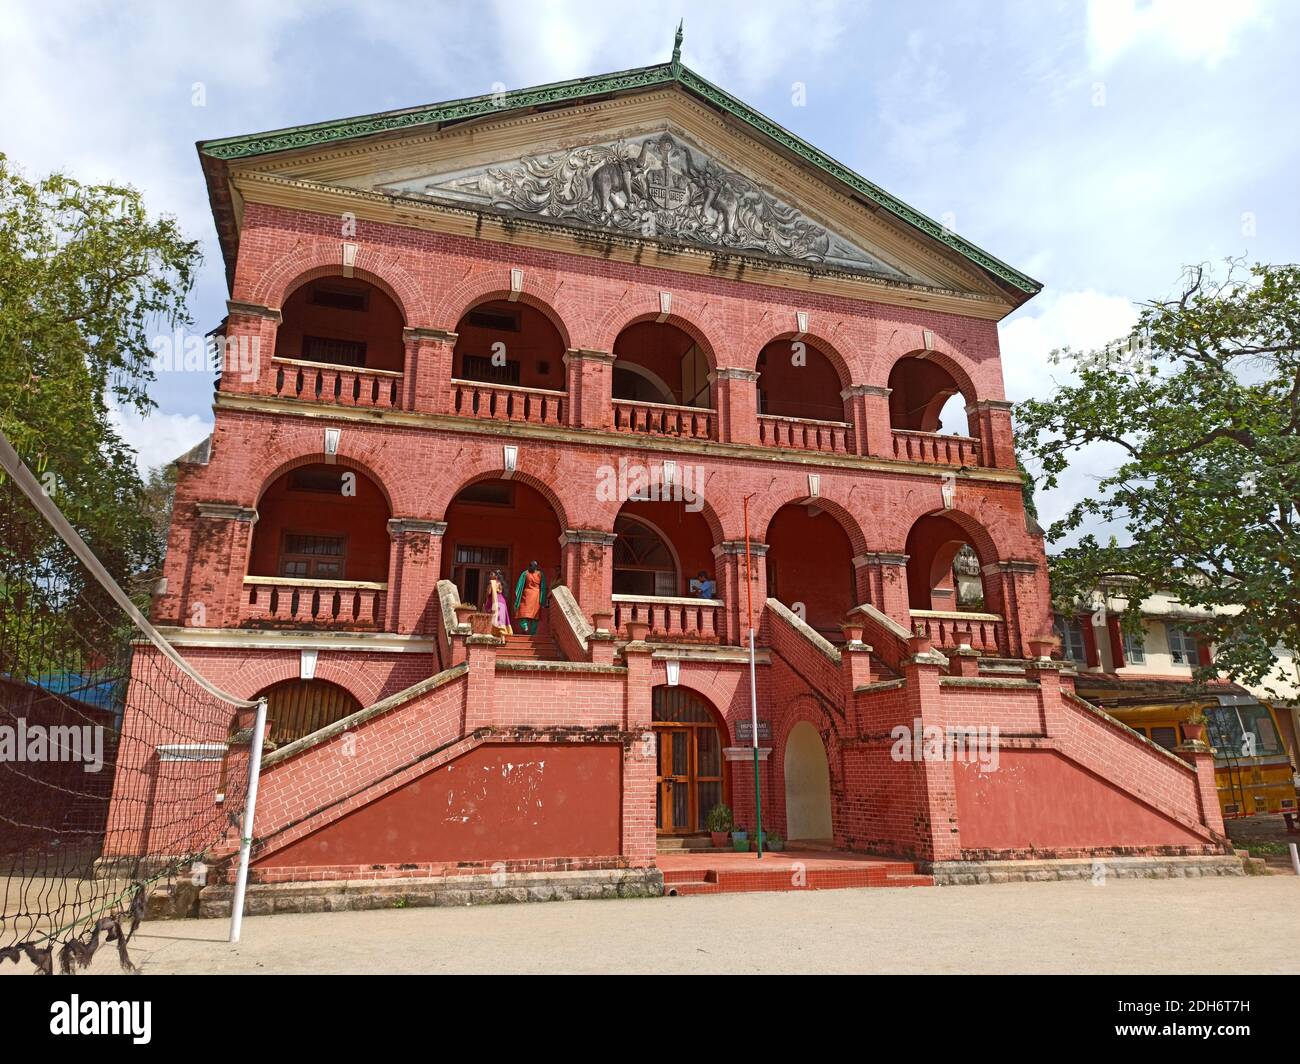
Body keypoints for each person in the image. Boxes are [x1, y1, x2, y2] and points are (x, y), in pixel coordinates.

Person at [513, 560, 549, 635]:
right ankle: (532, 632)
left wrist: (518, 595)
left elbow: (519, 586)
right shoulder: (540, 574)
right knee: (534, 616)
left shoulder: (525, 573)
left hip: (527, 595)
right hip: (535, 595)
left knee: (522, 613)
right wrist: (543, 599)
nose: (531, 567)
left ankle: (525, 627)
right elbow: (543, 587)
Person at [483, 570, 512, 637]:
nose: (490, 575)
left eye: (491, 574)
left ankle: (495, 635)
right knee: (501, 619)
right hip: (502, 602)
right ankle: (502, 637)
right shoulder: (501, 583)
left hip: (495, 602)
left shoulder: (492, 583)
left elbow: (489, 593)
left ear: (496, 576)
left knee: (495, 618)